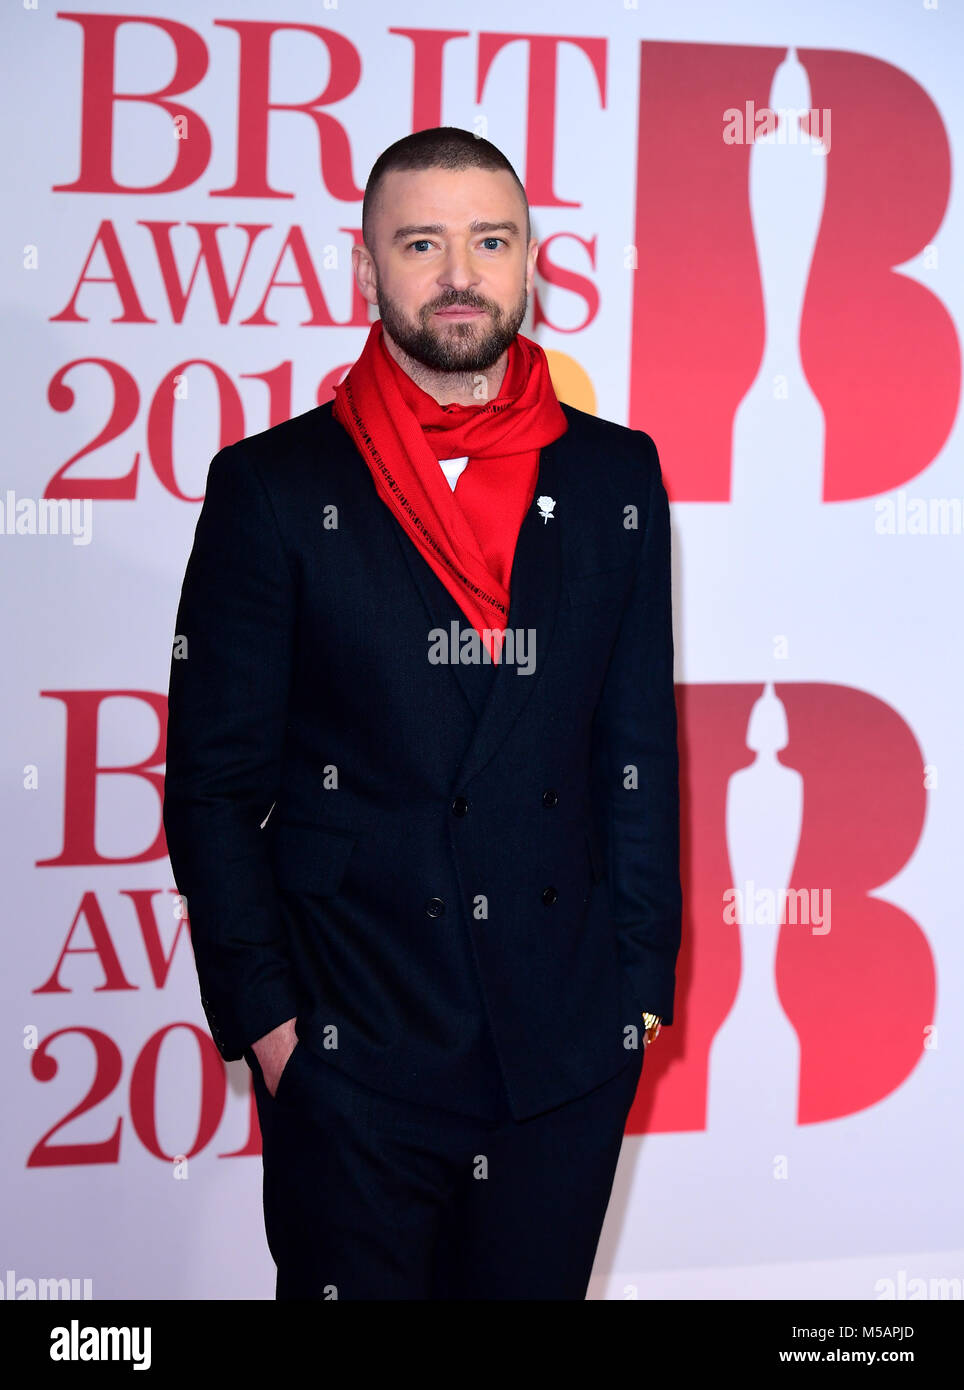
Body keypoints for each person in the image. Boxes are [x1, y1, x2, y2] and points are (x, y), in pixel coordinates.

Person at [163, 126, 681, 1301]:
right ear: (366, 271)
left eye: (488, 240)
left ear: (528, 260)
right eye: (422, 242)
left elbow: (635, 742)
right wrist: (273, 1029)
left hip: (560, 1047)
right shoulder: (276, 486)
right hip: (355, 1036)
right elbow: (213, 782)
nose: (459, 272)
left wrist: (638, 990)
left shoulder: (615, 476)